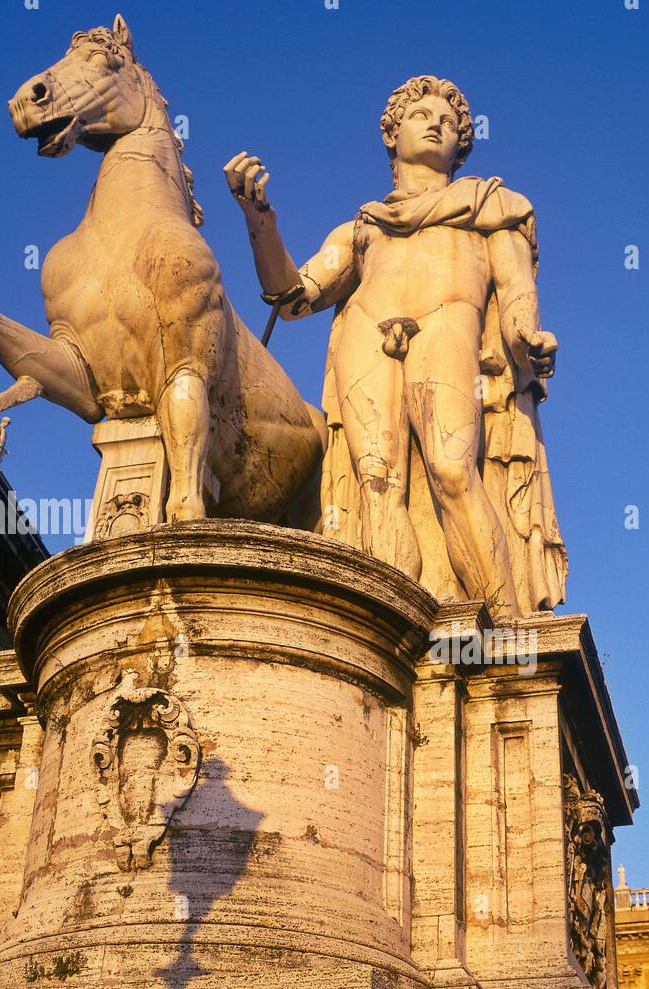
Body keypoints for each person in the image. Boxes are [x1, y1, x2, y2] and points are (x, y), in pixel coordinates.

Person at [225, 76, 564, 617]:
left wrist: (528, 339)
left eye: (449, 122)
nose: (436, 123)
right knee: (377, 486)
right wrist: (259, 220)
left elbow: (518, 290)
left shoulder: (491, 206)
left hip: (449, 322)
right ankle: (392, 636)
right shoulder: (364, 229)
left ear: (461, 143)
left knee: (453, 471)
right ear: (391, 133)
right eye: (421, 114)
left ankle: (507, 632)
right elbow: (292, 297)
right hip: (368, 329)